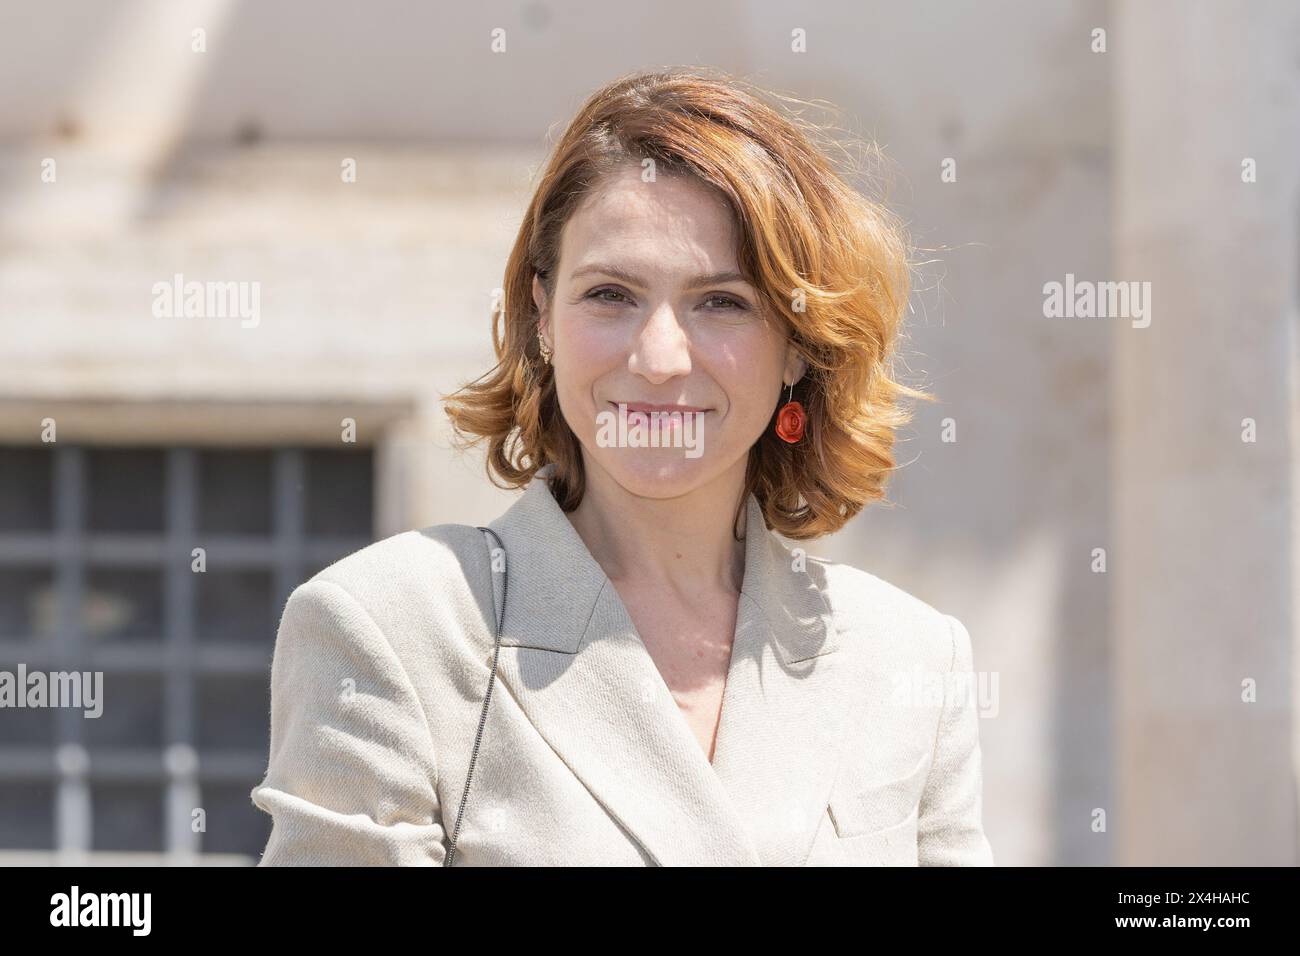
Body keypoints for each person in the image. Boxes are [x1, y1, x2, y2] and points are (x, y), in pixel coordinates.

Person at [250, 66, 994, 866]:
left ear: (797, 349)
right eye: (610, 294)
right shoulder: (390, 629)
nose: (660, 357)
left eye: (723, 302)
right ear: (542, 314)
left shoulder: (912, 658)